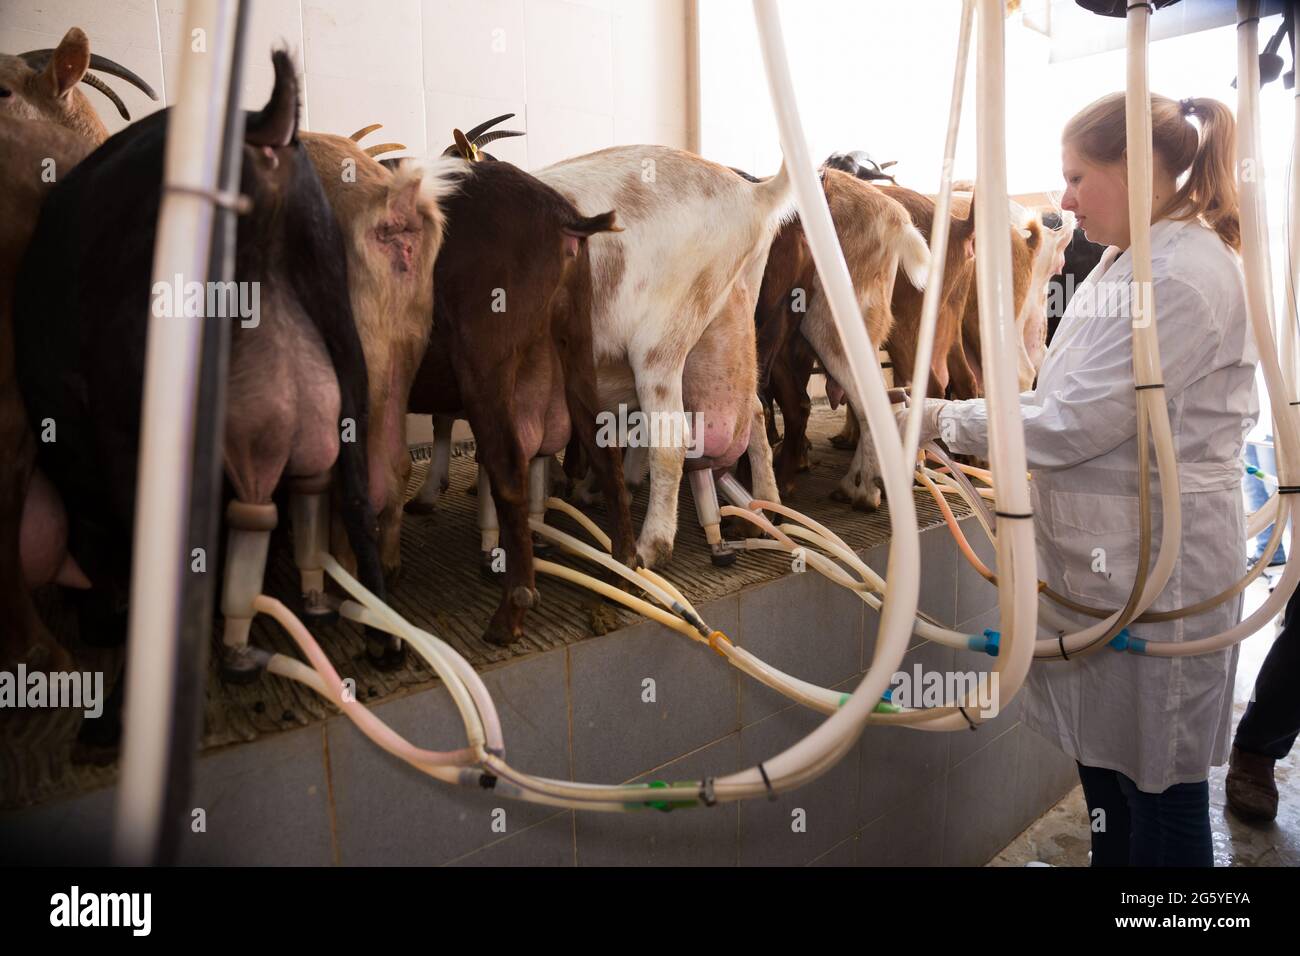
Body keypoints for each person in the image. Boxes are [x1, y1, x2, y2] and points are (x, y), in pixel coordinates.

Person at [901, 92, 1256, 866]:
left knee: (1160, 788)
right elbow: (1065, 395)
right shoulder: (1132, 256)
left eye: (1075, 177)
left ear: (1136, 168)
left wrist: (942, 422)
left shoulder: (1181, 274)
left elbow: (1074, 420)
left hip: (1162, 574)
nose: (1062, 200)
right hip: (1108, 570)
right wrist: (952, 420)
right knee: (1111, 771)